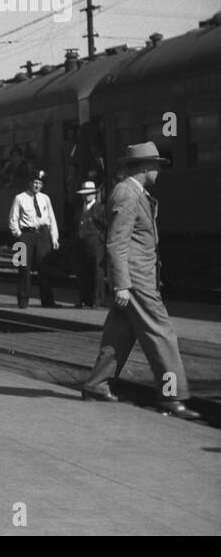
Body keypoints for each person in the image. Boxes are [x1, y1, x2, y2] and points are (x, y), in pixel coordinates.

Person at [81, 144, 199, 419]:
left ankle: (96, 385)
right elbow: (116, 242)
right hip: (136, 280)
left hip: (137, 277)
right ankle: (172, 397)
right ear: (145, 167)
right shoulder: (126, 193)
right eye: (157, 165)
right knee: (162, 335)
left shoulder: (135, 192)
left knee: (118, 337)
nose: (159, 171)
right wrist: (121, 284)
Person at [8, 170, 60, 308]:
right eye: (35, 182)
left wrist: (54, 237)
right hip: (26, 235)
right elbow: (13, 218)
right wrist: (19, 235)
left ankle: (47, 301)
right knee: (23, 267)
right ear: (30, 183)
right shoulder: (20, 198)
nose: (37, 185)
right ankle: (23, 301)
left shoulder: (45, 198)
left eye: (40, 183)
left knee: (45, 267)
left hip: (43, 235)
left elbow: (52, 218)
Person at [73, 180, 106, 308]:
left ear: (94, 194)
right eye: (84, 194)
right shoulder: (79, 209)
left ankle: (97, 300)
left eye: (89, 193)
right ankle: (85, 299)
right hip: (82, 246)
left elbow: (105, 226)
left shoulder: (100, 208)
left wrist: (102, 240)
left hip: (96, 245)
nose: (86, 196)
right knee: (83, 273)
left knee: (97, 272)